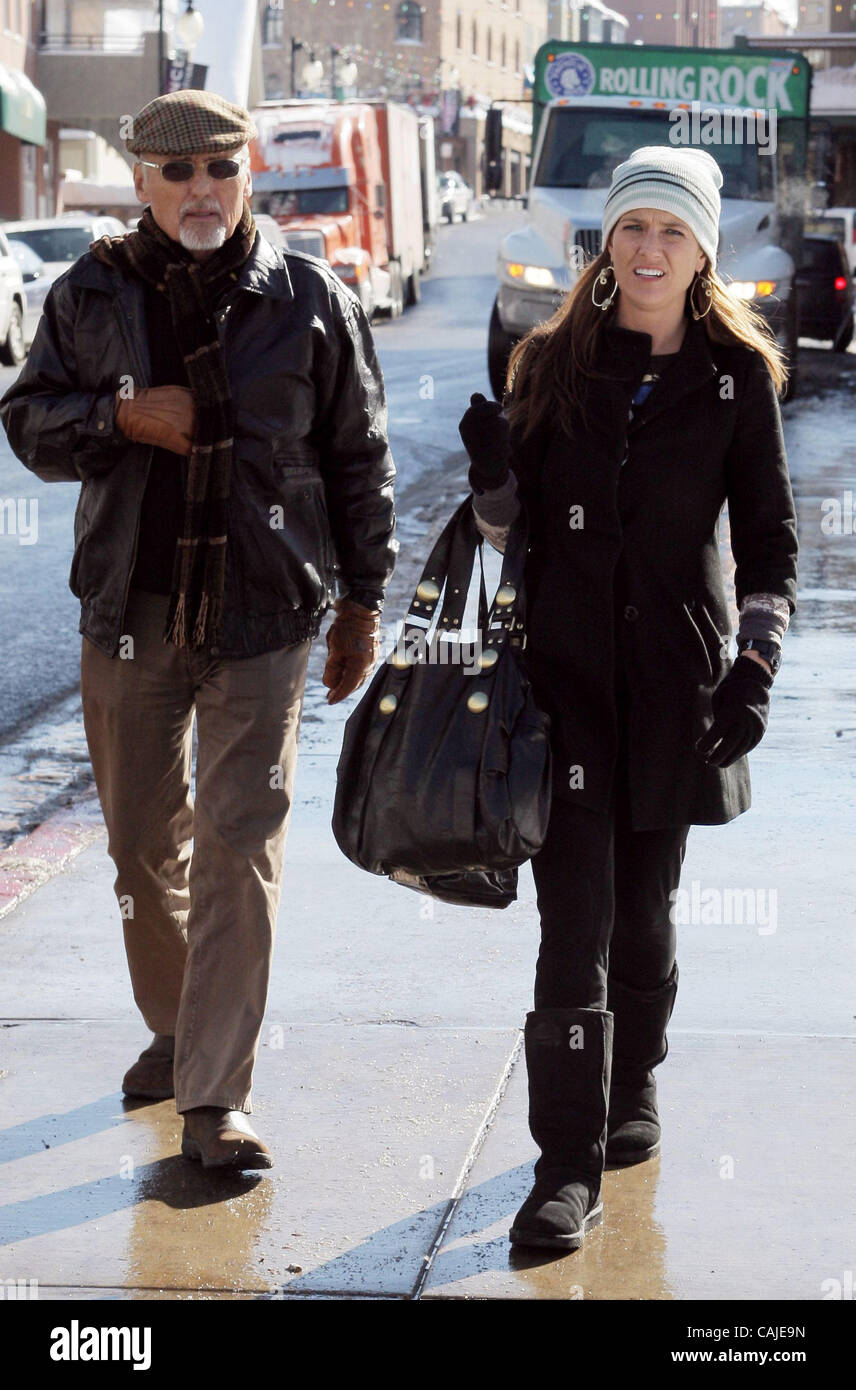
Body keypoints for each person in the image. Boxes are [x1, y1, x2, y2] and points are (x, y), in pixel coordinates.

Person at [0, 90, 397, 1171]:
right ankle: (177, 1024)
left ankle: (216, 1092)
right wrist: (119, 416)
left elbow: (360, 452)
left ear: (248, 172)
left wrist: (362, 599)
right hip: (128, 611)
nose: (199, 190)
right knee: (139, 844)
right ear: (139, 181)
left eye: (219, 168)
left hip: (265, 615)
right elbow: (28, 423)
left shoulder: (307, 295)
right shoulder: (89, 294)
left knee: (238, 841)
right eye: (175, 173)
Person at [458, 145, 797, 1251]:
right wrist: (493, 477)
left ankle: (632, 1089)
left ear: (702, 250)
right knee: (573, 926)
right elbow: (507, 536)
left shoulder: (735, 377)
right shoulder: (551, 359)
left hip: (678, 687)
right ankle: (565, 1163)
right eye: (631, 228)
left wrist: (754, 665)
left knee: (644, 918)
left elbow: (771, 544)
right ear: (606, 241)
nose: (648, 249)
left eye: (671, 231)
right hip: (562, 687)